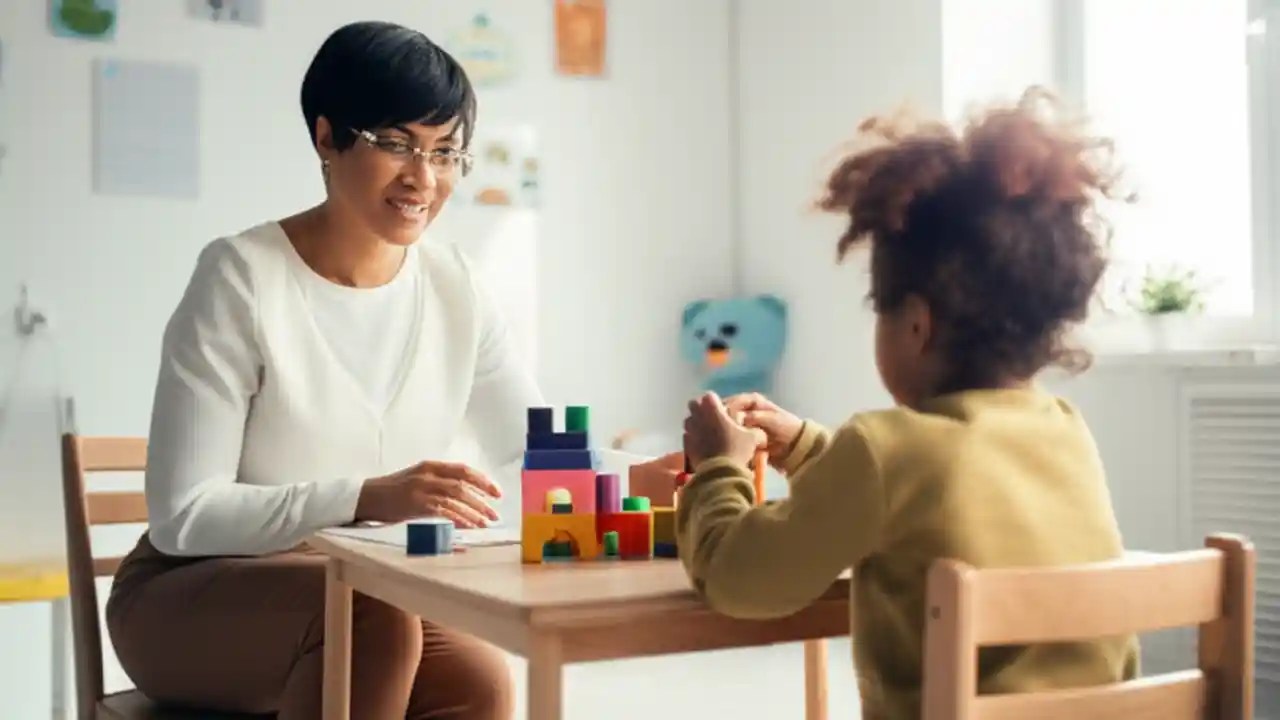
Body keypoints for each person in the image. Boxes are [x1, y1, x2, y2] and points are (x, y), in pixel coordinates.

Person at [106, 21, 535, 719]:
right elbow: (185, 517)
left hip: (360, 587)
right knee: (369, 624)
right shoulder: (240, 277)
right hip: (190, 593)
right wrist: (366, 495)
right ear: (327, 137)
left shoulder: (458, 286)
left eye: (446, 151)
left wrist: (628, 477)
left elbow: (532, 447)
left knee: (478, 682)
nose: (423, 178)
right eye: (395, 144)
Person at [675, 88, 1140, 719]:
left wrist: (717, 469)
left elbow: (740, 580)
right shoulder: (1064, 430)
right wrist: (809, 447)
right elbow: (929, 501)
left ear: (916, 326)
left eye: (880, 311)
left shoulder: (885, 450)